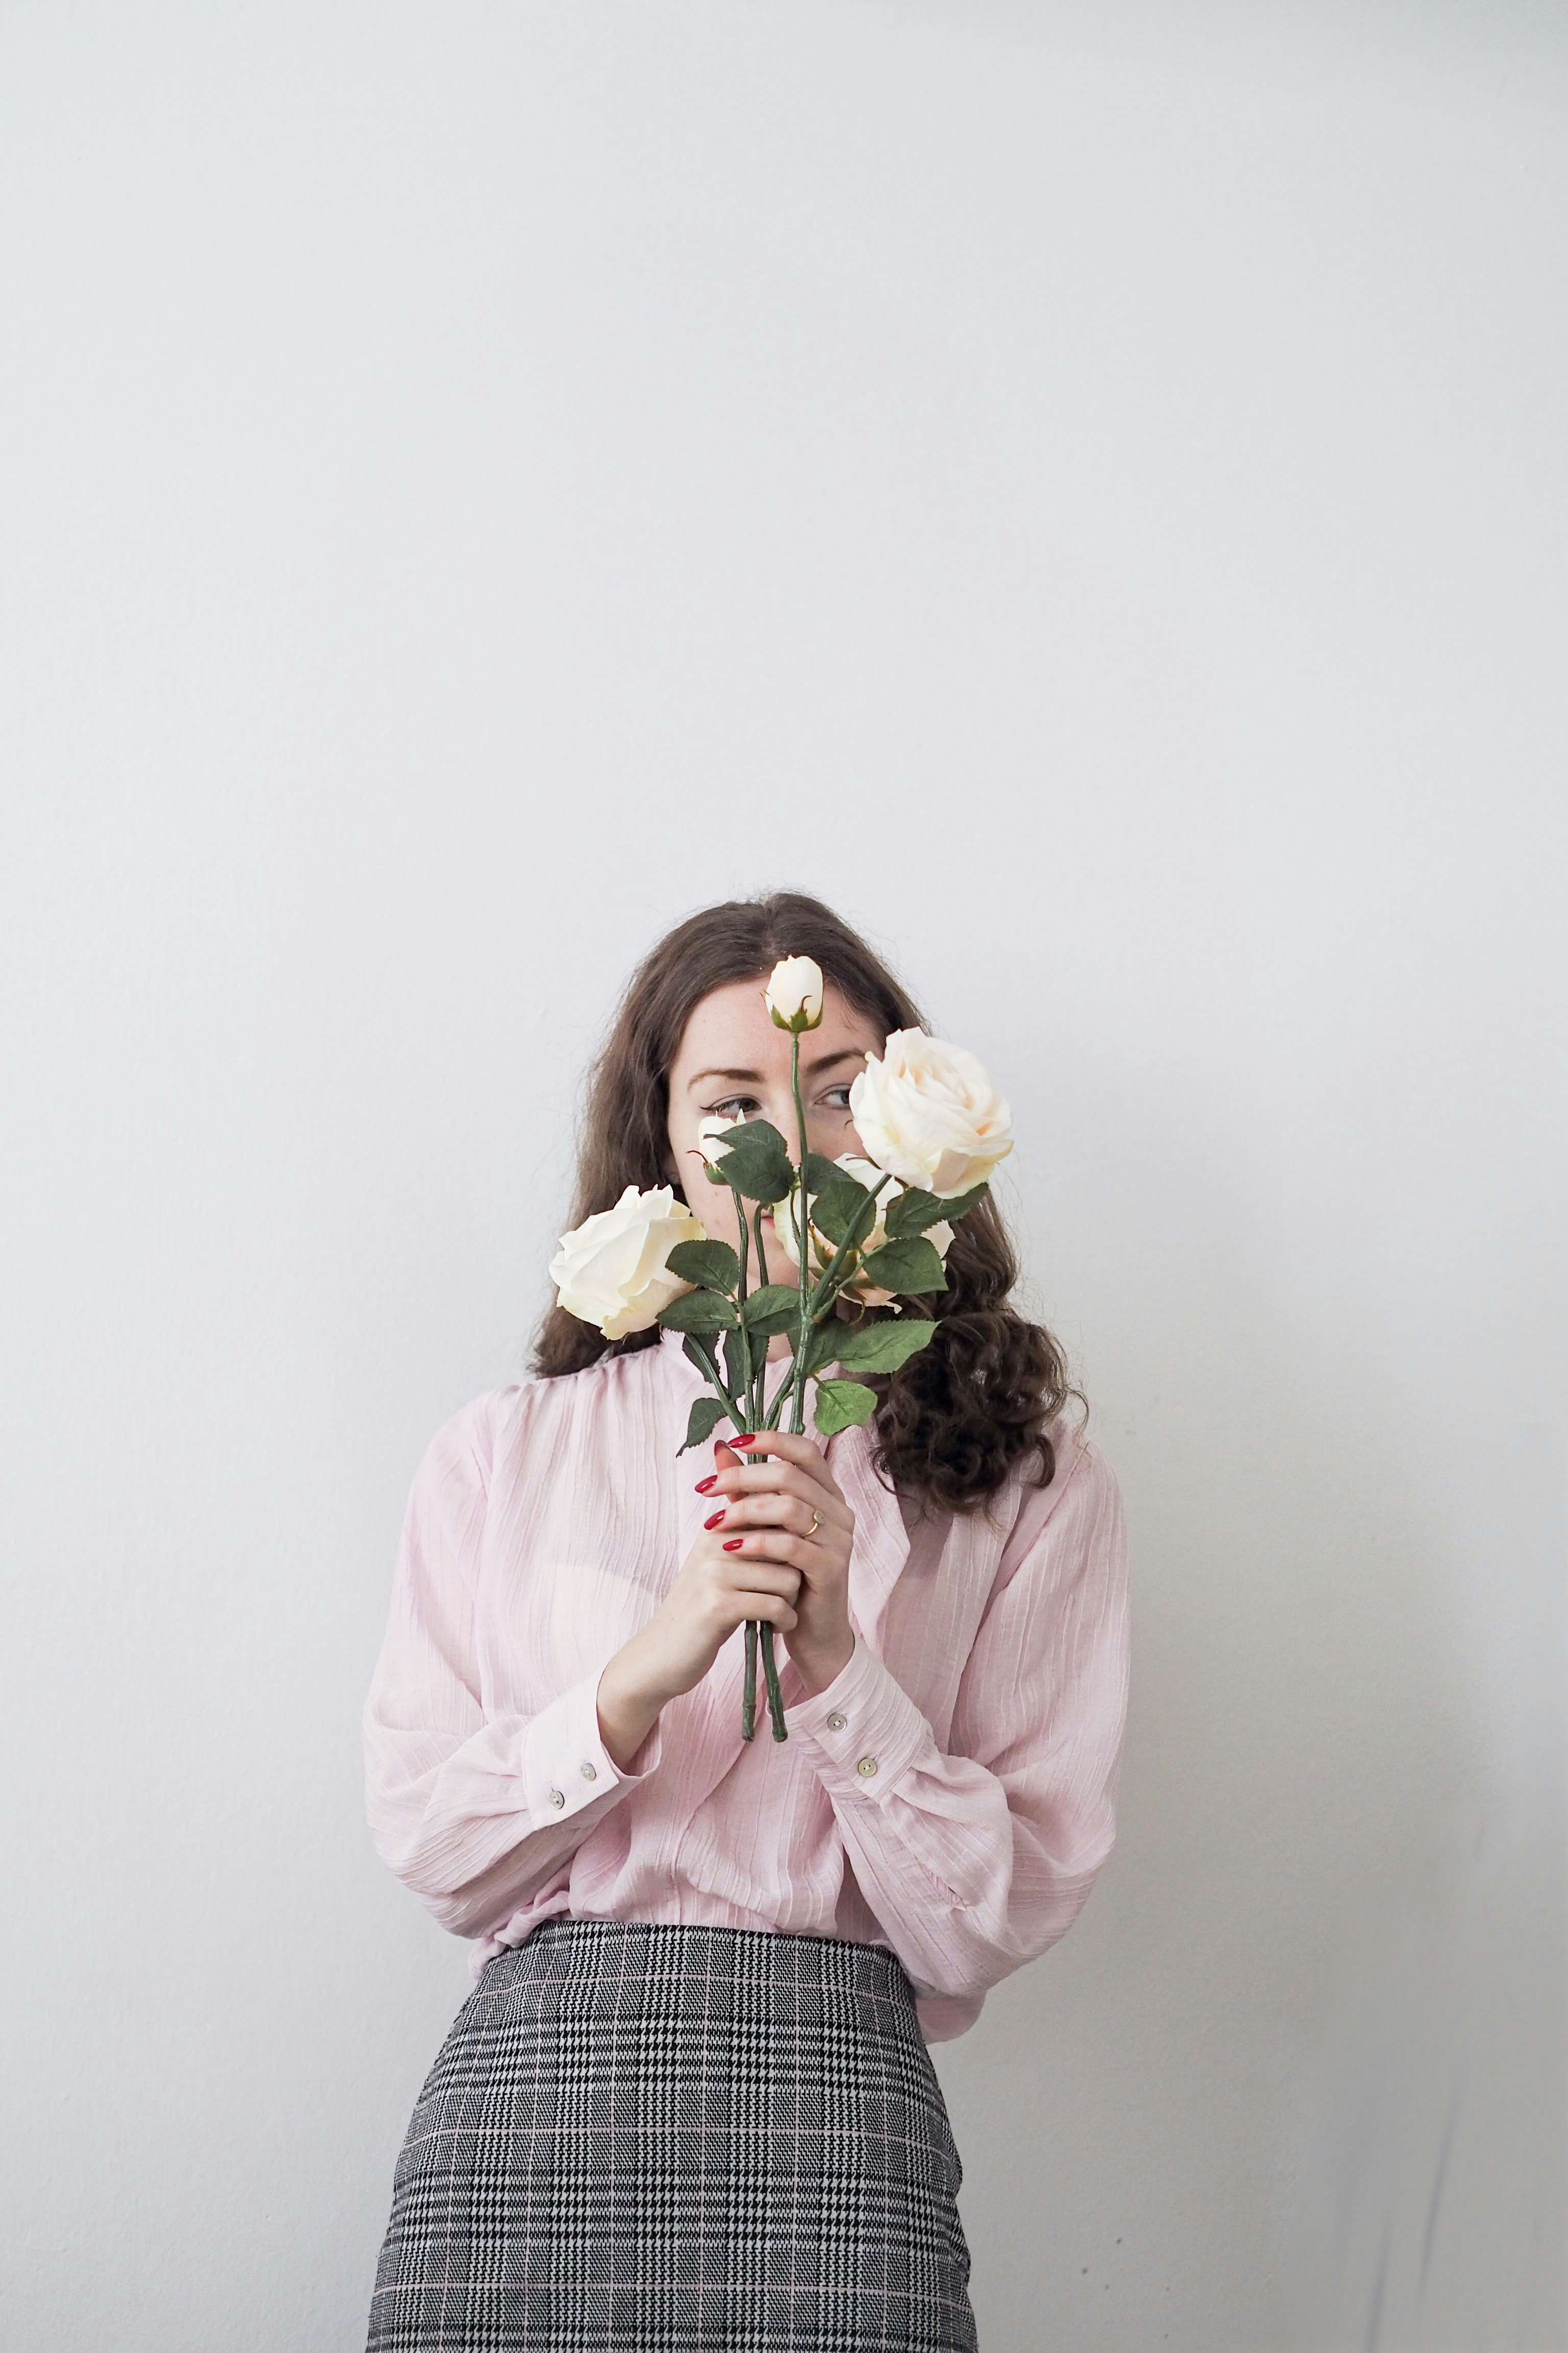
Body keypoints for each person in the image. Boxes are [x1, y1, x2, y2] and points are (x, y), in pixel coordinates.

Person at [362, 891, 1130, 2353]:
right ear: (659, 1139)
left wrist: (841, 1672)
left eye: (838, 1092)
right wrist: (651, 1663)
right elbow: (434, 1846)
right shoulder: (503, 1455)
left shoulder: (1027, 1483)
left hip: (843, 2114)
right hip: (532, 2119)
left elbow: (993, 1919)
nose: (791, 1147)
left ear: (907, 1131)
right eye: (731, 1101)